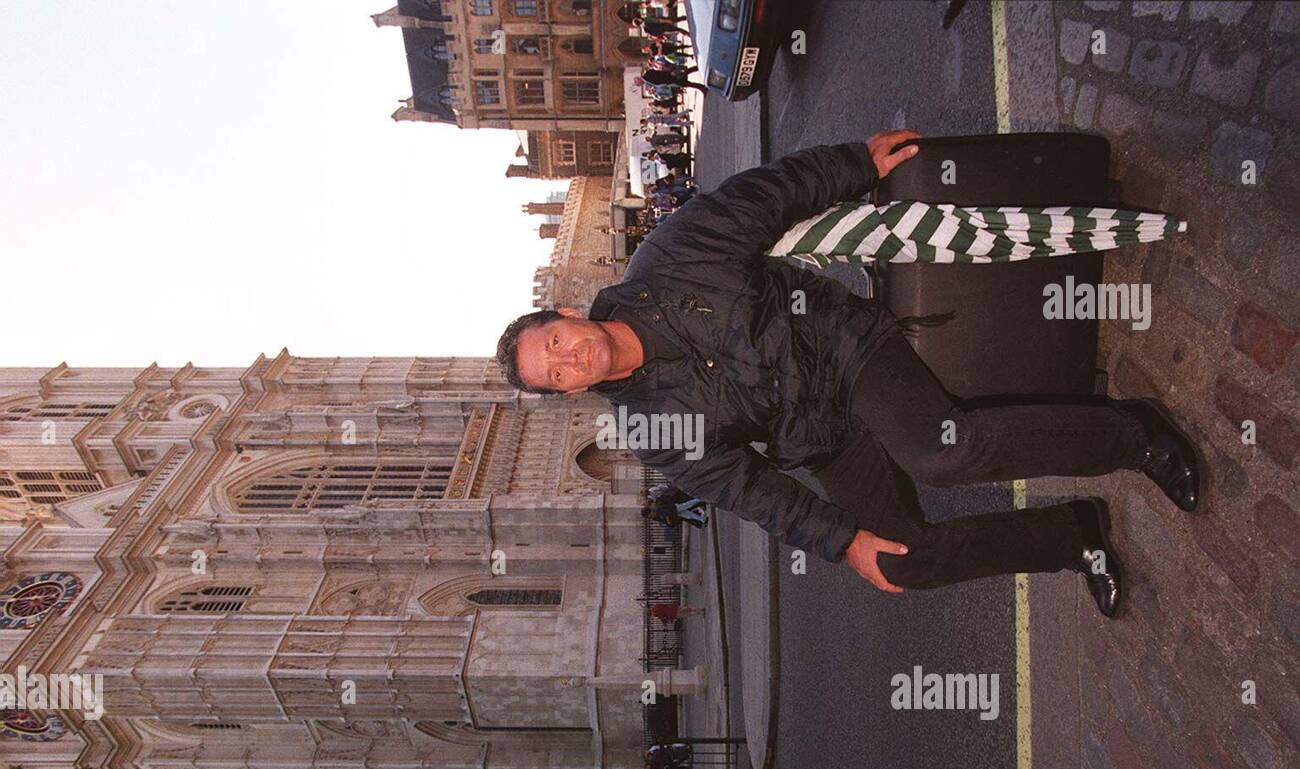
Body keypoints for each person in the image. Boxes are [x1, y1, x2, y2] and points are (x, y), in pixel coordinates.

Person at [494, 132, 1203, 618]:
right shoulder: (652, 431)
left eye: (555, 341)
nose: (569, 357)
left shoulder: (670, 258)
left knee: (940, 450)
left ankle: (1133, 436)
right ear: (571, 392)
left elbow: (764, 195)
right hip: (820, 437)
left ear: (565, 314)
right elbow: (753, 491)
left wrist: (855, 162)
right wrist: (842, 541)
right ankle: (1072, 536)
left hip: (843, 349)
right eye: (556, 373)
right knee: (903, 562)